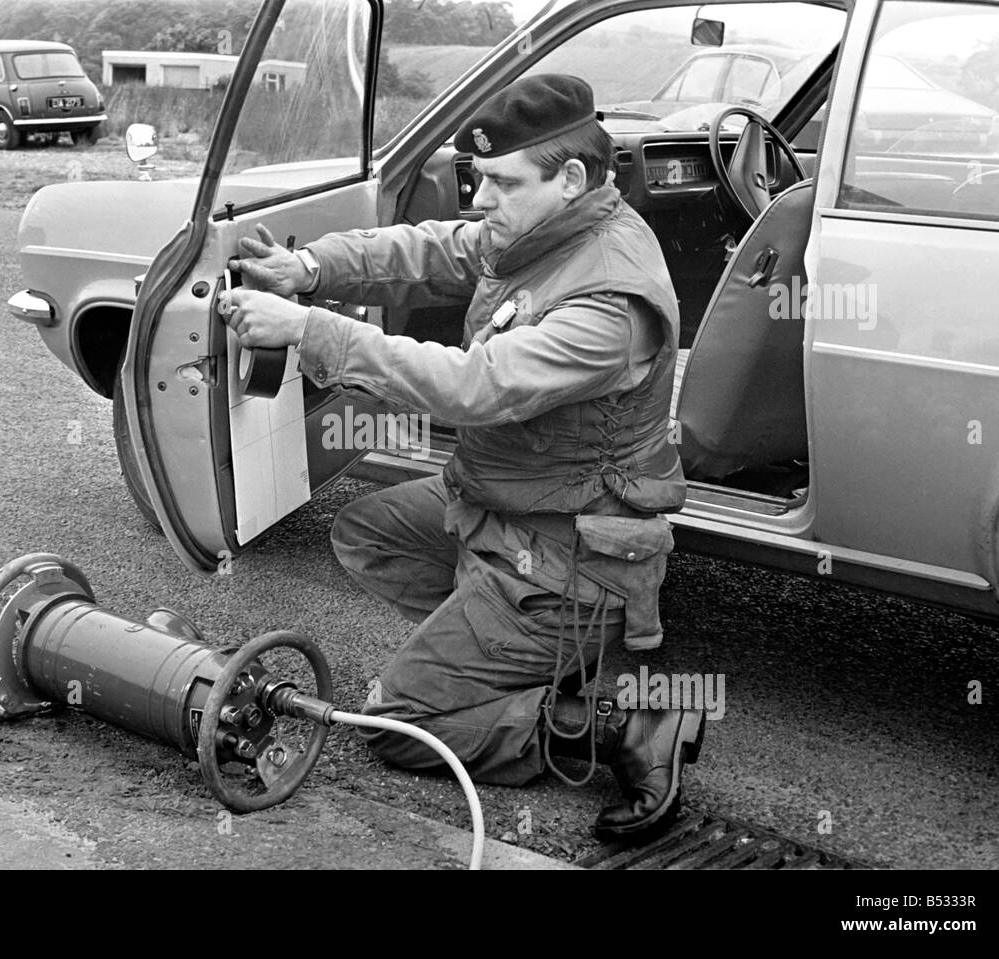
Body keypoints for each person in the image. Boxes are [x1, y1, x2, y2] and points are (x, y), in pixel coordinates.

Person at [222, 74, 705, 836]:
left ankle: (614, 724)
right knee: (364, 531)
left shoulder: (609, 305)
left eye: (500, 184)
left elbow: (476, 386)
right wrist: (312, 271)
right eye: (478, 179)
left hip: (567, 562)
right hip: (508, 512)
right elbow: (438, 250)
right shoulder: (550, 230)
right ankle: (507, 650)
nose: (480, 199)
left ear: (570, 179)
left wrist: (311, 331)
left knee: (394, 720)